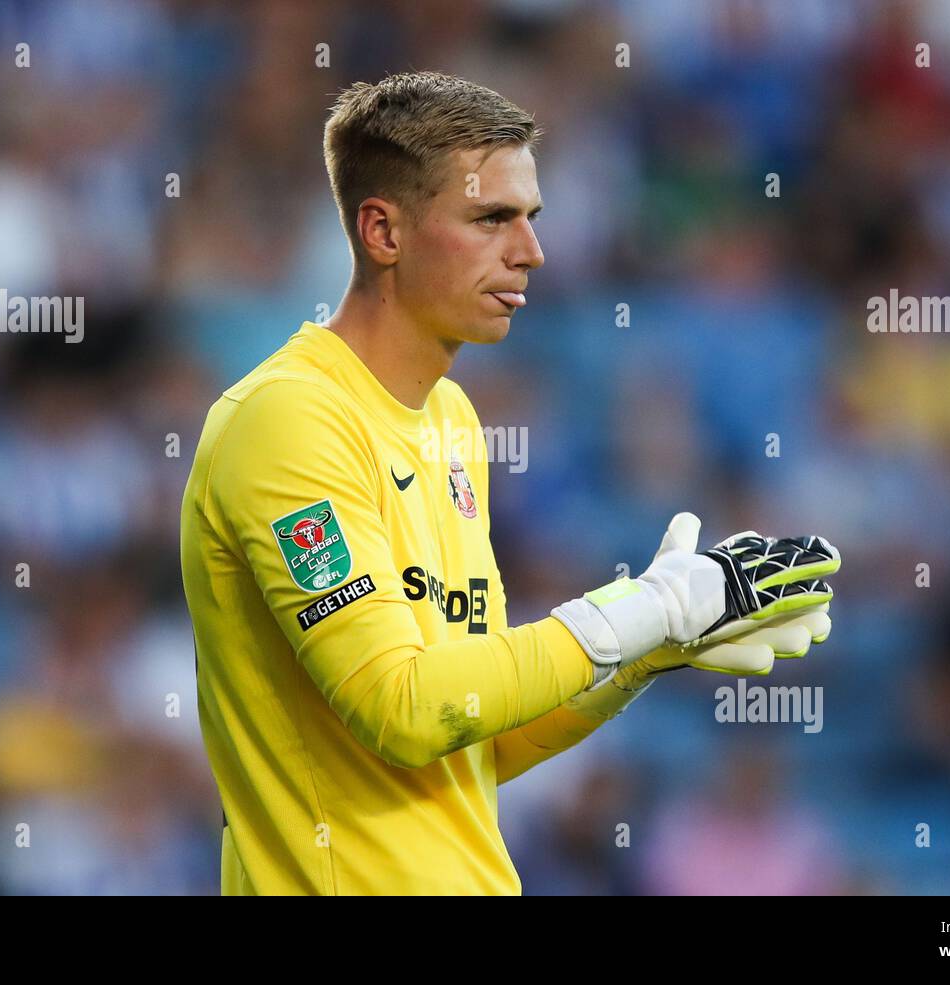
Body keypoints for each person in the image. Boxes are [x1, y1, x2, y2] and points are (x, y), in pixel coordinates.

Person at [180, 71, 839, 895]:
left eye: (531, 217)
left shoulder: (453, 419)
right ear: (383, 231)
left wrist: (646, 651)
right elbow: (404, 708)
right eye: (491, 218)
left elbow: (475, 737)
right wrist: (636, 611)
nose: (530, 251)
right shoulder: (286, 423)